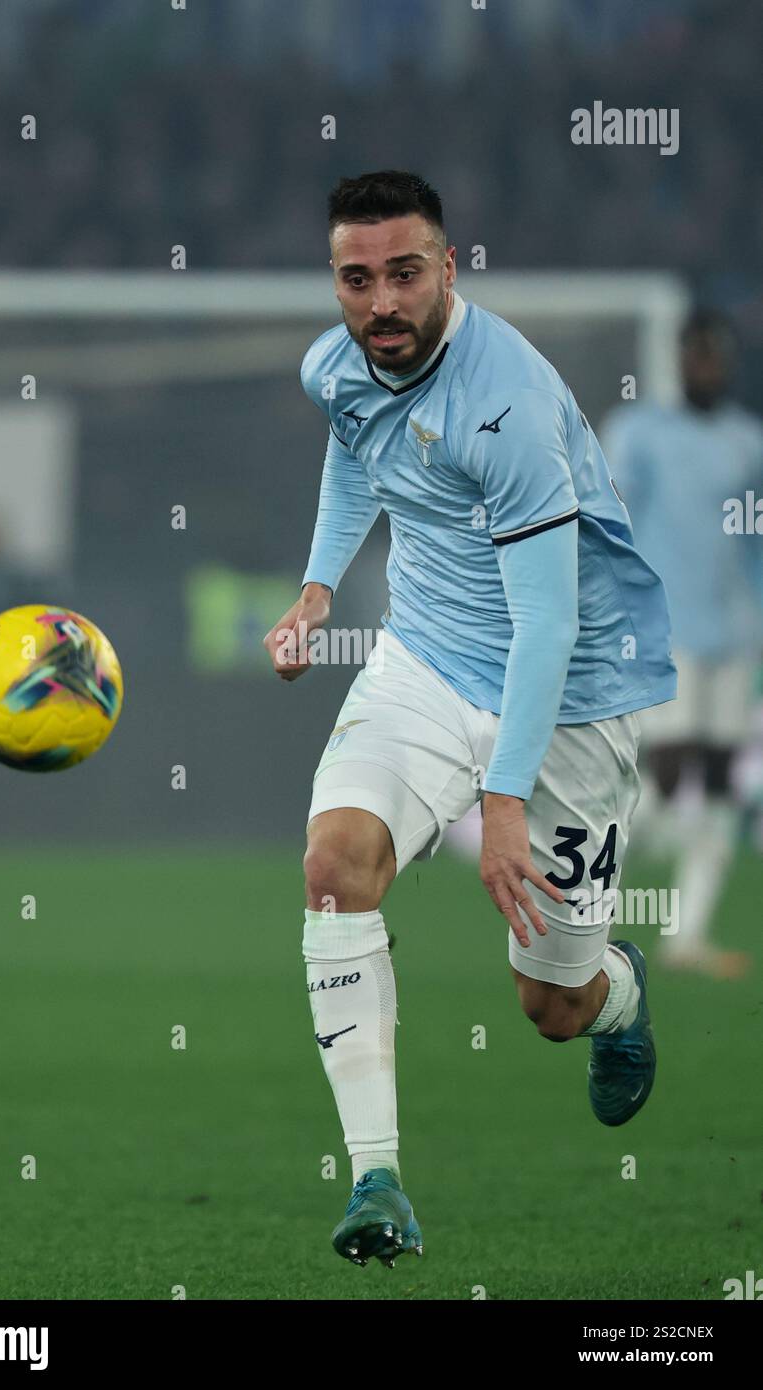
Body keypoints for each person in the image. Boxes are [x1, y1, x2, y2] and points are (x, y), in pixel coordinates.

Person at [264, 170, 676, 1268]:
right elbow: (357, 452)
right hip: (425, 662)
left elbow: (544, 622)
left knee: (548, 1000)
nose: (379, 303)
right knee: (333, 866)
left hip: (569, 690)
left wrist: (501, 800)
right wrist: (316, 586)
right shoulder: (336, 361)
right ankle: (375, 1181)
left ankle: (620, 995)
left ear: (448, 269)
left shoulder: (508, 404)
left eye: (404, 274)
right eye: (357, 279)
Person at [602, 310, 763, 979]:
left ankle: (687, 932)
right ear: (677, 358)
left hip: (734, 632)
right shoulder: (637, 433)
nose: (706, 365)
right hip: (662, 630)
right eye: (695, 353)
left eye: (714, 354)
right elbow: (607, 521)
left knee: (724, 777)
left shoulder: (747, 440)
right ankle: (595, 922)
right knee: (665, 775)